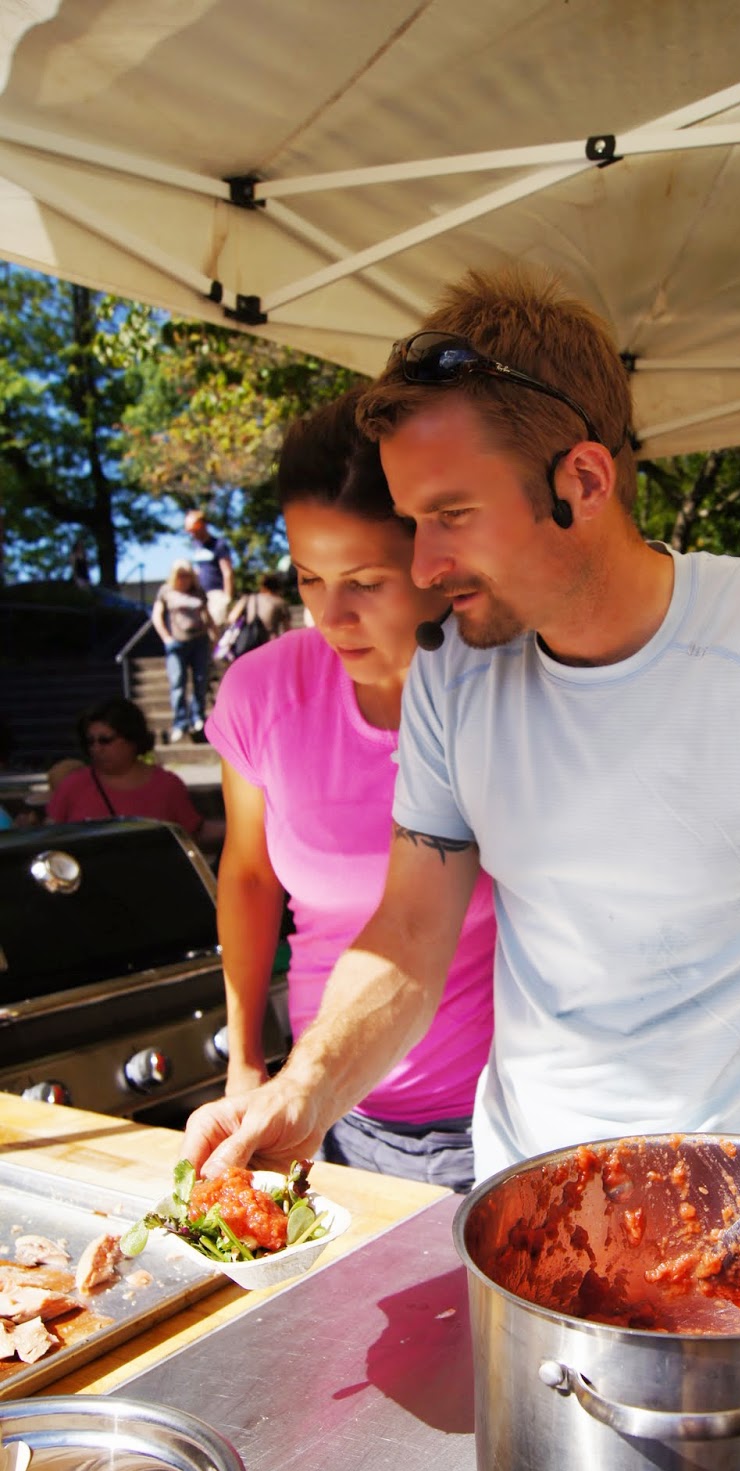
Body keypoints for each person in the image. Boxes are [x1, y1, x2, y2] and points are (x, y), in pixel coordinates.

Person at [182, 264, 740, 1188]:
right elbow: (409, 928)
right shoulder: (456, 670)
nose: (426, 565)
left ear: (583, 480)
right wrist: (307, 1086)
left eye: (451, 515)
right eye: (412, 522)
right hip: (521, 1198)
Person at [201, 386, 496, 1189]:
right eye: (308, 578)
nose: (330, 617)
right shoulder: (262, 692)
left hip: (497, 1120)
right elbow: (249, 875)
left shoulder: (505, 689)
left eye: (364, 581)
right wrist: (247, 1060)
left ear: (435, 561)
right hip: (323, 1111)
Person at [46, 696, 210, 839]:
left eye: (105, 740)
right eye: (91, 742)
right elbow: (51, 835)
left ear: (132, 739)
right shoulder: (73, 786)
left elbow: (193, 833)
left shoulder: (168, 786)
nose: (96, 748)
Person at [152, 559, 213, 742]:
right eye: (181, 575)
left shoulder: (198, 591)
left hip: (200, 641)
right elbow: (157, 616)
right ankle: (180, 722)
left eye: (187, 575)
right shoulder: (166, 591)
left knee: (200, 681)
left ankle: (198, 717)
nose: (184, 579)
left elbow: (207, 615)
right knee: (178, 682)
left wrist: (215, 635)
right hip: (177, 642)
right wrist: (166, 638)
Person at [218, 572, 291, 660]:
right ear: (278, 588)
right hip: (270, 642)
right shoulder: (280, 602)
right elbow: (287, 629)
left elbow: (232, 618)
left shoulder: (249, 598)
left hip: (248, 641)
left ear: (262, 586)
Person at [185, 509, 234, 627]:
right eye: (190, 531)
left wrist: (227, 598)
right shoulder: (197, 546)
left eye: (194, 530)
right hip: (202, 596)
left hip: (217, 594)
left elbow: (227, 572)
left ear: (203, 525)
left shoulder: (219, 545)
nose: (192, 534)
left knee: (218, 627)